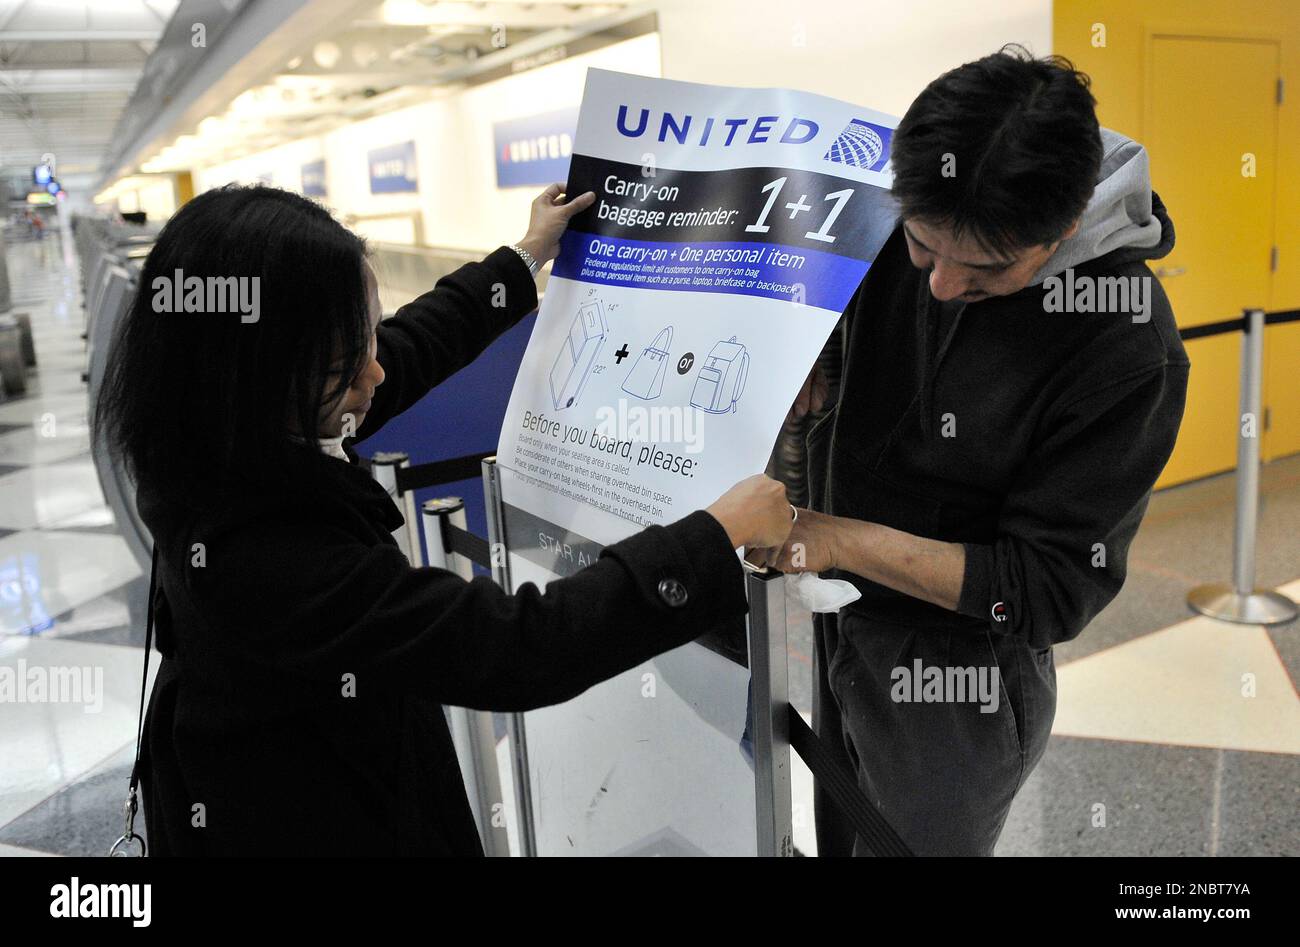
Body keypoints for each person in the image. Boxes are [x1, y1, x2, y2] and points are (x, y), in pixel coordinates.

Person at [93, 182, 794, 856]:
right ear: (261, 373)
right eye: (345, 360)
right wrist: (713, 534)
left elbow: (409, 346)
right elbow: (518, 648)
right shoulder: (268, 558)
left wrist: (522, 258)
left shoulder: (208, 439)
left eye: (365, 338)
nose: (374, 374)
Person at [757, 46, 1190, 855]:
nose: (942, 286)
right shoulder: (905, 212)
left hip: (960, 674)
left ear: (1062, 230)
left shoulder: (1125, 344)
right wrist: (814, 360)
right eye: (923, 249)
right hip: (837, 619)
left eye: (986, 273)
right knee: (841, 836)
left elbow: (1050, 589)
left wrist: (839, 537)